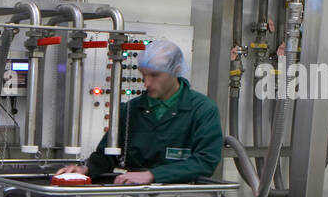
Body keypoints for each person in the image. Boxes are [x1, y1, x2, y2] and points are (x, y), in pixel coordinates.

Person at [54, 38, 222, 186]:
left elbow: (205, 161)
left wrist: (152, 175)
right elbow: (108, 155)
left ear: (176, 71)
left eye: (155, 75)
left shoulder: (202, 110)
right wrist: (86, 168)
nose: (146, 83)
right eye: (143, 75)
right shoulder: (130, 110)